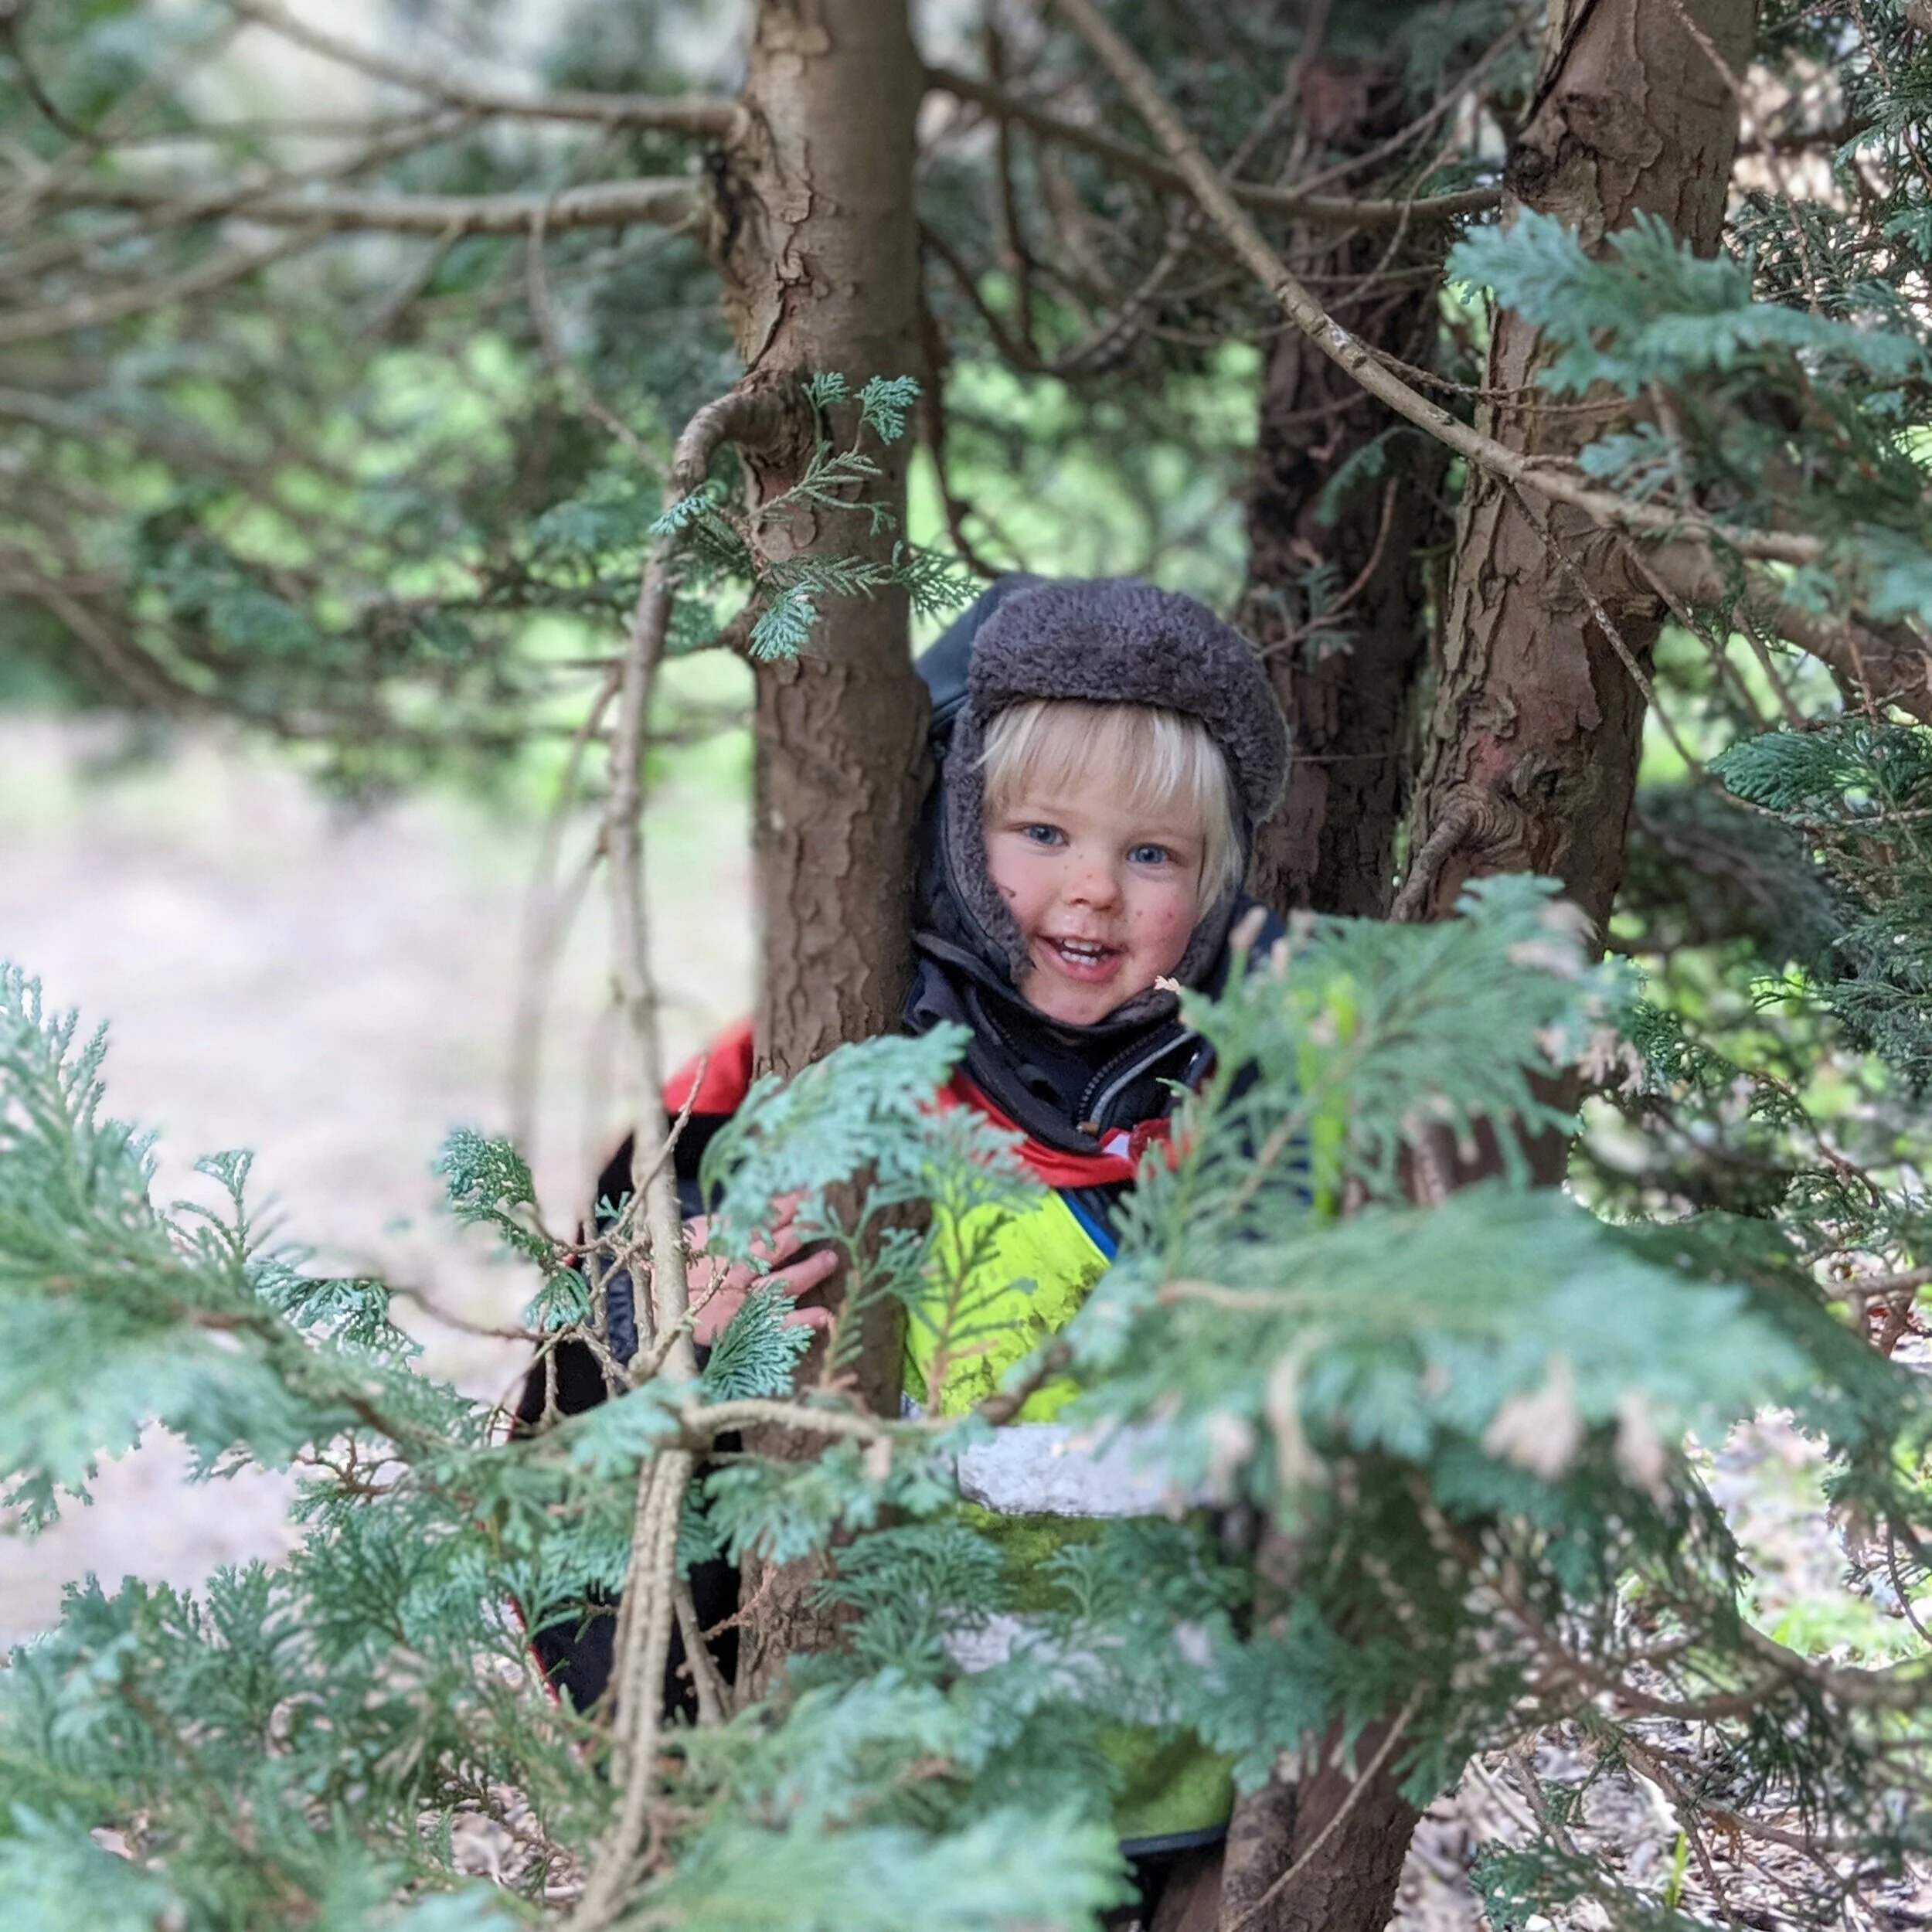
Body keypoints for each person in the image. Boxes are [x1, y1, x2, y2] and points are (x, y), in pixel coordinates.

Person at [517, 574, 1290, 1927]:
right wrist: (677, 1317)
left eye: (1153, 856)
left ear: (1215, 884)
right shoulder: (815, 1075)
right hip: (869, 1781)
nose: (1093, 889)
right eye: (1040, 832)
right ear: (950, 827)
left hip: (1143, 1791)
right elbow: (573, 1401)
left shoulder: (1251, 1105)